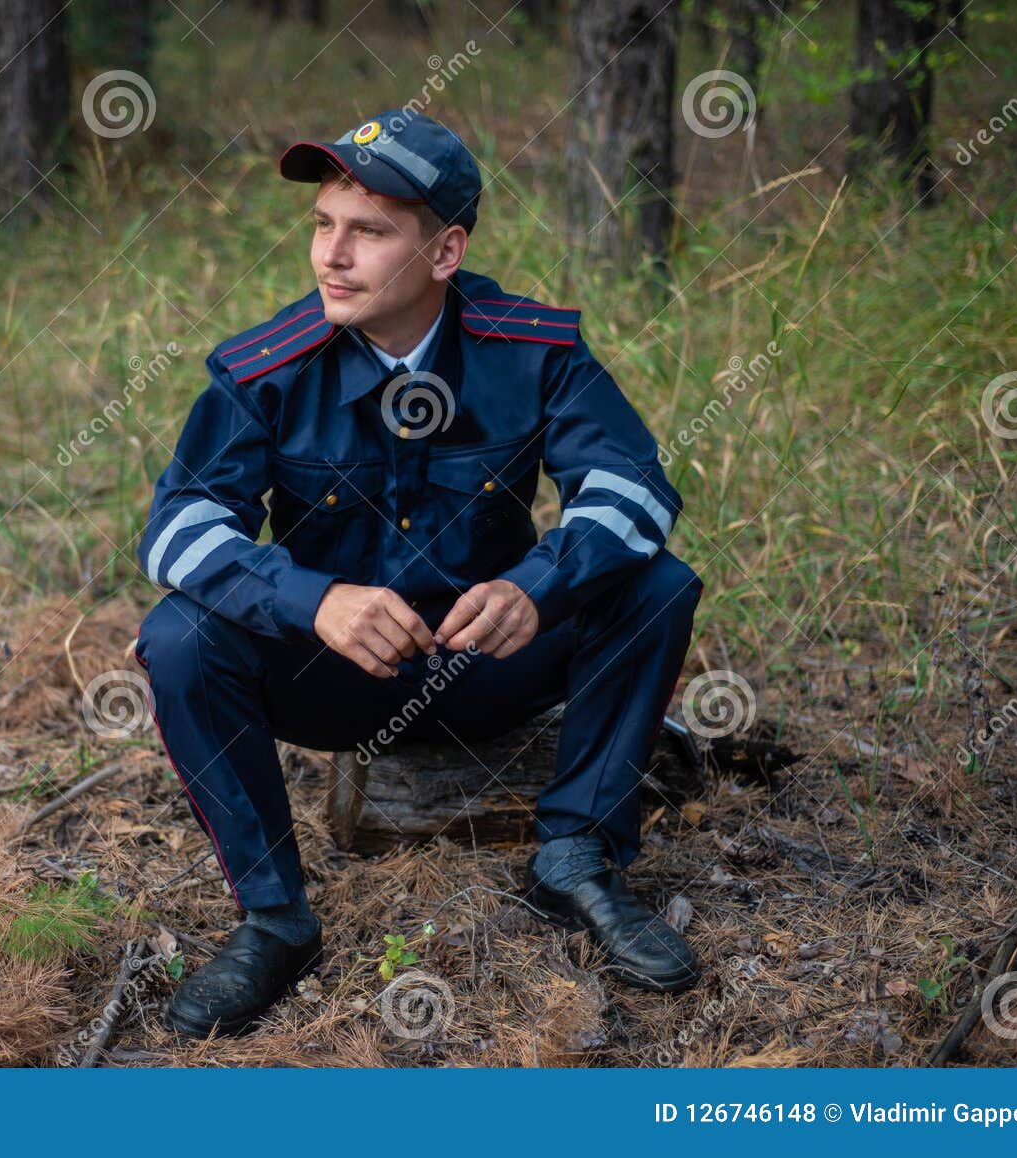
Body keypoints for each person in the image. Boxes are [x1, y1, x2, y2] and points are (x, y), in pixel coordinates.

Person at [133, 109, 705, 1040]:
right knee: (178, 635)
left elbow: (634, 488)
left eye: (368, 230)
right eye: (323, 224)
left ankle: (574, 860)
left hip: (490, 663)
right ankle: (276, 919)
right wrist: (310, 600)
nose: (332, 254)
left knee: (654, 583)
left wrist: (541, 583)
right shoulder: (267, 368)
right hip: (335, 682)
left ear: (445, 251)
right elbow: (178, 528)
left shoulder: (530, 350)